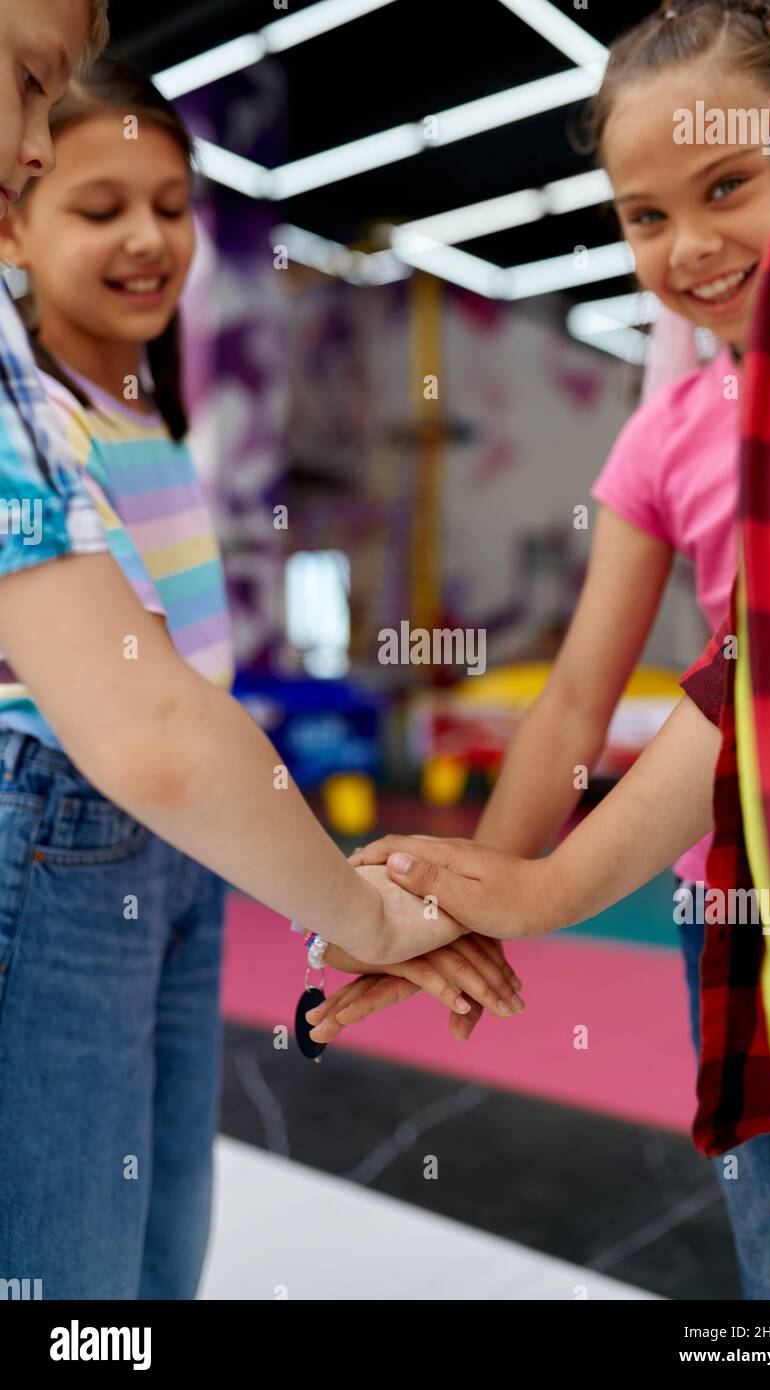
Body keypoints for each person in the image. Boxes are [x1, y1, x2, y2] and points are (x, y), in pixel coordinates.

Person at [0, 9, 519, 1299]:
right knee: (75, 1264)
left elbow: (183, 710)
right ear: (20, 218)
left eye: (173, 206)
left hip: (172, 857)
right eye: (97, 205)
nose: (145, 237)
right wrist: (359, 908)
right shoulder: (37, 405)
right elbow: (146, 725)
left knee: (166, 1226)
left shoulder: (149, 421)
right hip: (74, 816)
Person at [353, 0, 770, 1296]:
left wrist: (532, 891)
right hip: (728, 897)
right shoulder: (667, 434)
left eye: (726, 185)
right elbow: (578, 695)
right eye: (644, 215)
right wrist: (469, 902)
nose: (688, 245)